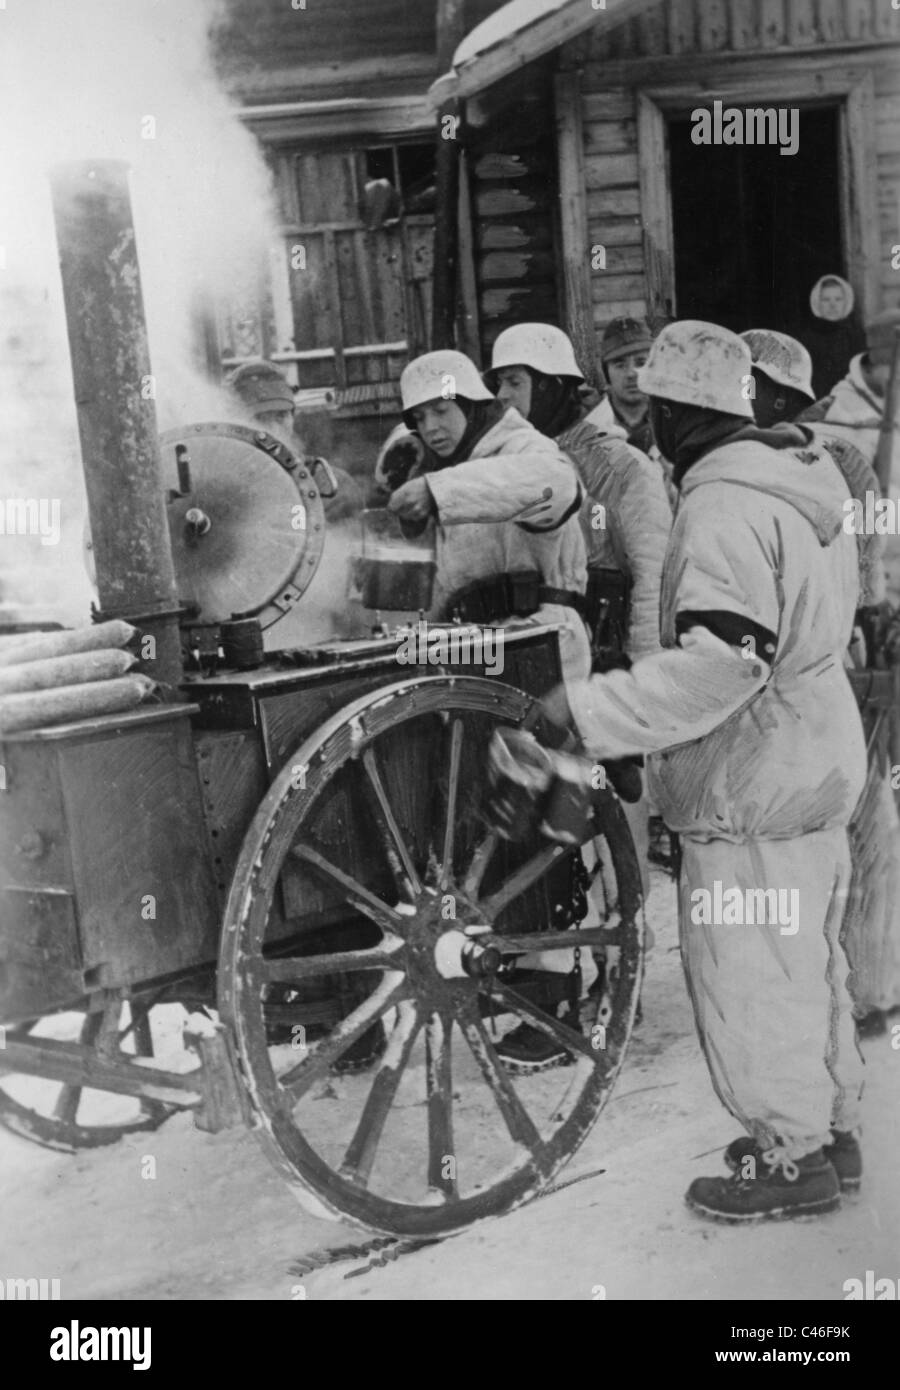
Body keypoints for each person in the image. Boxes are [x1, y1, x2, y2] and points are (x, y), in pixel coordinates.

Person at [521, 320, 866, 1221]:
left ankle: (792, 1158)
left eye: (658, 407)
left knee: (749, 973)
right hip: (818, 756)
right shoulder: (802, 483)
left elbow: (727, 662)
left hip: (753, 777)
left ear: (680, 413)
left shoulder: (722, 505)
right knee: (807, 964)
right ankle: (830, 1128)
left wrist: (594, 713)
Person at [485, 322, 671, 887]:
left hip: (607, 653)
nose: (502, 400)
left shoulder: (619, 465)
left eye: (516, 383)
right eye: (498, 385)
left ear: (552, 386)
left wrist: (644, 675)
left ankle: (621, 938)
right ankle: (572, 951)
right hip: (541, 653)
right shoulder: (512, 462)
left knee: (611, 807)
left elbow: (653, 571)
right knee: (549, 816)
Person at [384, 349, 590, 688]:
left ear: (471, 405)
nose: (431, 428)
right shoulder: (451, 474)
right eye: (420, 419)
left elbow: (560, 485)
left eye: (440, 411)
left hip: (543, 638)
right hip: (483, 646)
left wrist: (438, 490)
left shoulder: (522, 447)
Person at [226, 357, 362, 522]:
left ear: (292, 417)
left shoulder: (329, 483)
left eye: (280, 416)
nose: (274, 429)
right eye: (261, 419)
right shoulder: (224, 484)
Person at [585, 317, 656, 458]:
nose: (631, 373)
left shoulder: (672, 422)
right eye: (620, 365)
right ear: (606, 373)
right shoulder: (591, 428)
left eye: (641, 362)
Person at [793, 274, 866, 400]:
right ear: (816, 302)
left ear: (847, 301)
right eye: (826, 300)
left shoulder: (856, 336)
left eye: (838, 299)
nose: (832, 305)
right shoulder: (806, 339)